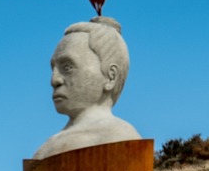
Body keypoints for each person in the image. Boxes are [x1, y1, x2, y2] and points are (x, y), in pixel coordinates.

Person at [34, 17, 140, 160]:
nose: (54, 80)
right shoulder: (45, 149)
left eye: (68, 67)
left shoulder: (121, 138)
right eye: (53, 68)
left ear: (110, 77)